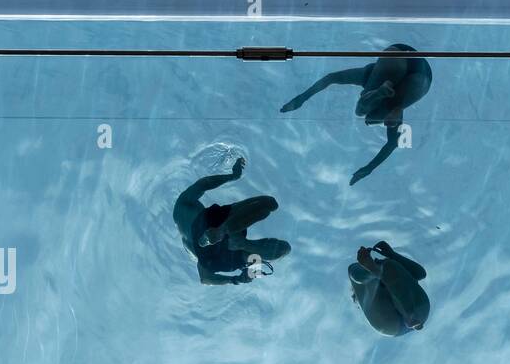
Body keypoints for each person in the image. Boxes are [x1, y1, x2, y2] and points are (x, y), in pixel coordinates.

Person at [280, 43, 433, 185]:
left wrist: (369, 168)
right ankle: (380, 94)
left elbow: (392, 144)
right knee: (361, 112)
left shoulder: (368, 77)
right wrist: (301, 99)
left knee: (366, 111)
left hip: (422, 77)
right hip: (410, 68)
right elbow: (331, 78)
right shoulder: (366, 76)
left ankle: (381, 94)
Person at [172, 156, 290, 284]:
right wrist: (232, 176)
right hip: (216, 242)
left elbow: (205, 277)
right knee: (270, 204)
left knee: (270, 204)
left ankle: (222, 236)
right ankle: (221, 236)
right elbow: (203, 184)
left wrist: (237, 278)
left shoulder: (184, 215)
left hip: (217, 248)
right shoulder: (184, 211)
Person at [348, 241, 430, 335]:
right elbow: (420, 273)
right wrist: (391, 256)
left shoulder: (390, 279)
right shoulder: (372, 285)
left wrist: (392, 255)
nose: (377, 260)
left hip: (395, 324)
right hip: (406, 317)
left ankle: (409, 316)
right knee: (387, 267)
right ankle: (409, 316)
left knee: (386, 269)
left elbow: (421, 273)